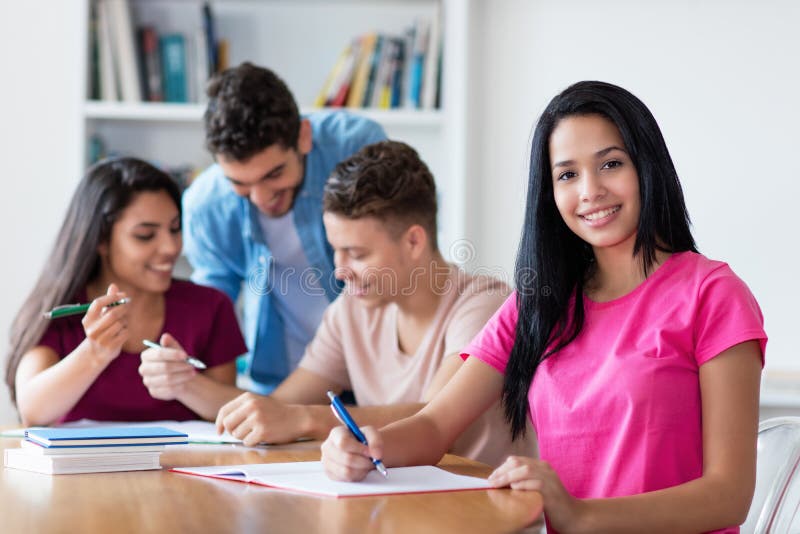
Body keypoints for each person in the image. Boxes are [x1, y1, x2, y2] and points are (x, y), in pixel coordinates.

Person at [320, 82, 766, 532]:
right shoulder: (538, 303)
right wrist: (365, 444)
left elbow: (728, 496)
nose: (590, 191)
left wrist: (580, 515)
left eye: (611, 163)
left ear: (647, 166)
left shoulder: (713, 294)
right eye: (567, 175)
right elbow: (435, 426)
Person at [215, 141, 535, 465]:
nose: (340, 272)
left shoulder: (486, 306)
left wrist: (305, 420)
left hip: (480, 505)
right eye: (335, 250)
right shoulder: (351, 311)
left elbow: (431, 420)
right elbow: (279, 406)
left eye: (356, 254)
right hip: (391, 504)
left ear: (413, 241)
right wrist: (188, 384)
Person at [183, 63, 387, 394]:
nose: (262, 198)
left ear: (303, 137)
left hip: (374, 375)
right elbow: (213, 305)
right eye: (240, 183)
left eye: (274, 174)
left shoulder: (358, 148)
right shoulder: (205, 205)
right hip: (279, 382)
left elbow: (394, 261)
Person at [6, 158, 247, 426]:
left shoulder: (210, 306)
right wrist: (94, 353)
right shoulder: (61, 310)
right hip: (84, 468)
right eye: (145, 235)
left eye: (175, 229)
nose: (170, 247)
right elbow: (32, 411)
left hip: (181, 466)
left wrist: (186, 384)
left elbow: (231, 413)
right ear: (100, 240)